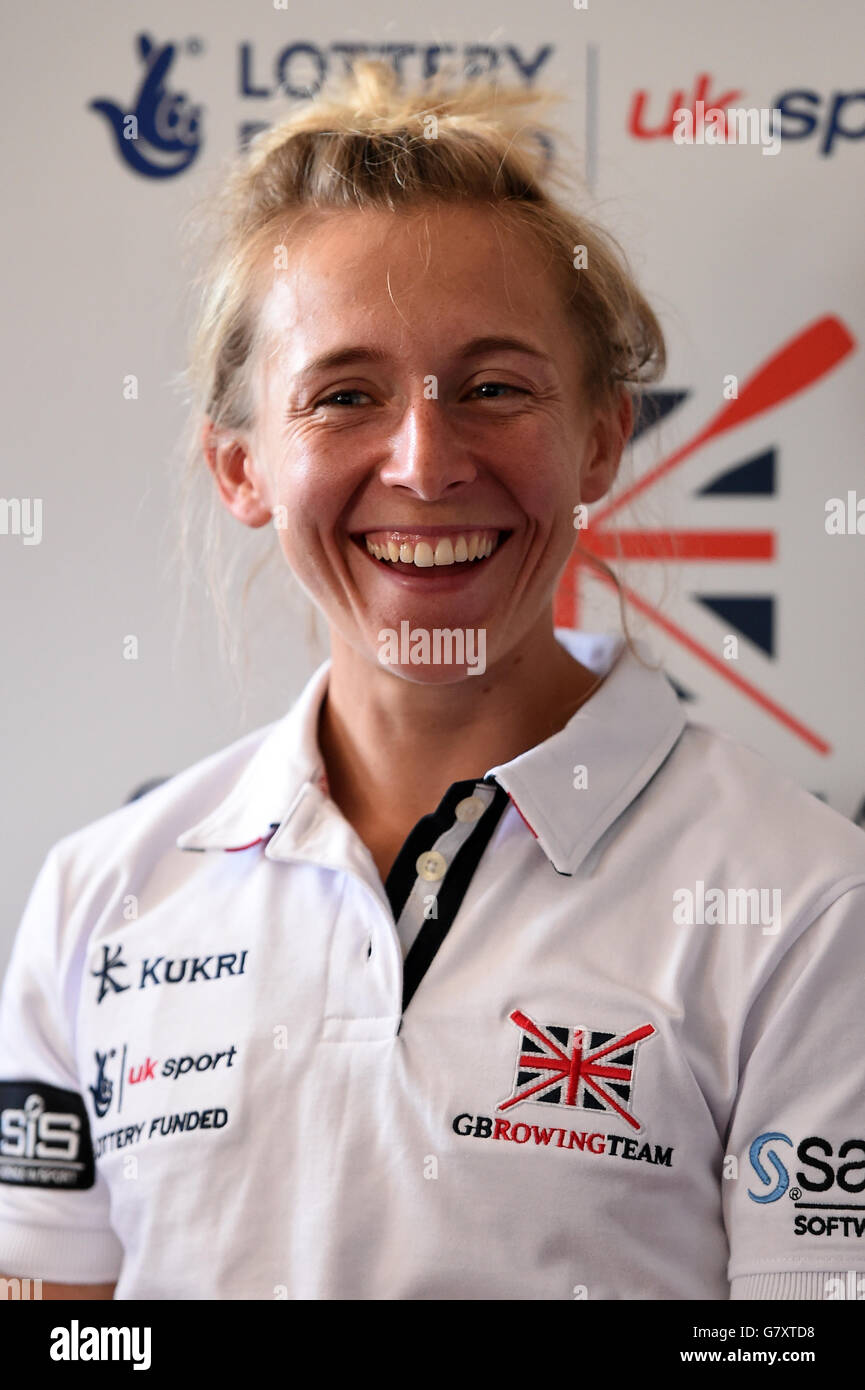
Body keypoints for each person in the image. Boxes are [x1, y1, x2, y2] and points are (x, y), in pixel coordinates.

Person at [1, 60, 864, 1302]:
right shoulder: (102, 894)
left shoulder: (803, 909)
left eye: (494, 388)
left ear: (603, 439)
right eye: (344, 394)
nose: (424, 460)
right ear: (241, 466)